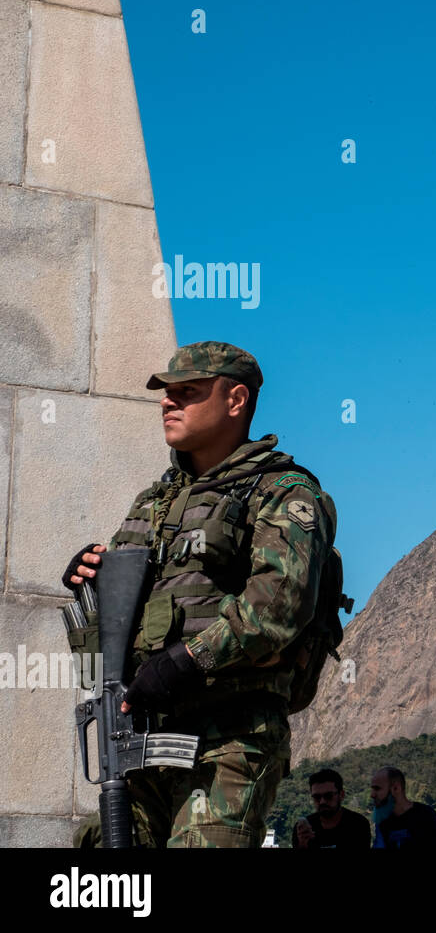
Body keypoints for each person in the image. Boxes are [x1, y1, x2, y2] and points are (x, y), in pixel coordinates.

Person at [66, 341, 338, 847]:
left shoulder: (283, 492)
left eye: (187, 392)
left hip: (229, 740)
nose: (169, 403)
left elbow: (277, 607)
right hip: (142, 737)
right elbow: (121, 628)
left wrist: (184, 662)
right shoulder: (153, 503)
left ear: (235, 400)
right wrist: (90, 581)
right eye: (166, 394)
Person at [370, 766, 436, 848]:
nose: (372, 795)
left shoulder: (426, 816)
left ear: (396, 788)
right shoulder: (382, 822)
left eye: (377, 789)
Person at [293, 768, 371, 849]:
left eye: (328, 796)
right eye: (317, 797)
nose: (322, 801)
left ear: (341, 795)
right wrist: (302, 844)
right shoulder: (303, 830)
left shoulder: (358, 824)